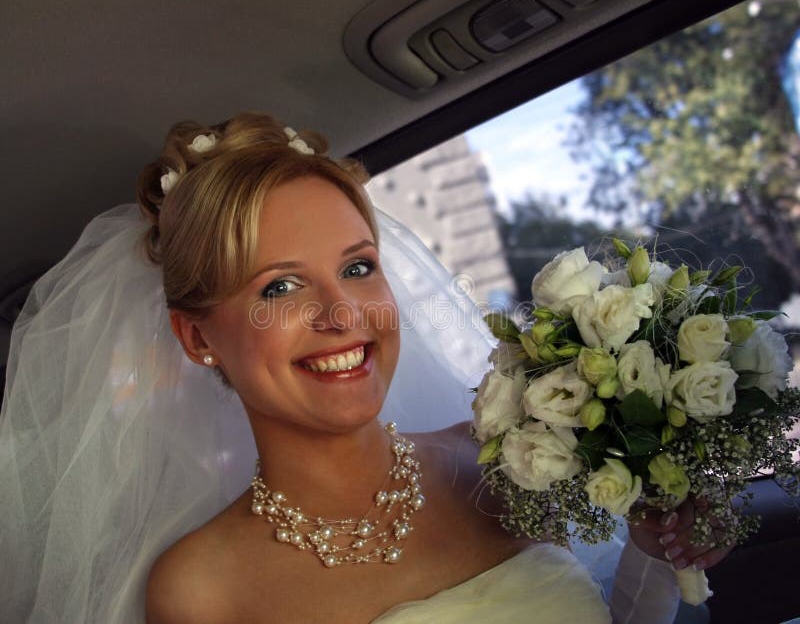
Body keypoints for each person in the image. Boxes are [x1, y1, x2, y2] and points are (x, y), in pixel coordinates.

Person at [0, 113, 727, 623]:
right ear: (198, 339)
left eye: (357, 267)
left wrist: (654, 553)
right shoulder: (199, 590)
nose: (342, 313)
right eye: (278, 286)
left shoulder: (507, 462)